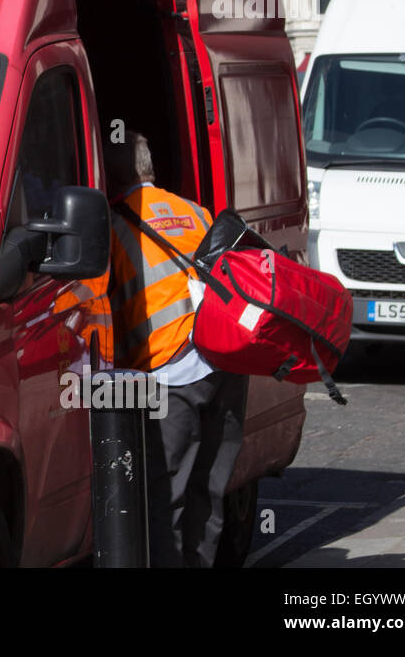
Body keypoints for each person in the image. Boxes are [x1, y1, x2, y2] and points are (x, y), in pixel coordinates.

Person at [103, 129, 247, 568]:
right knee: (210, 491)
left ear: (107, 175)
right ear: (149, 168)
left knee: (168, 497)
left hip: (169, 375)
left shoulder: (110, 227)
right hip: (224, 363)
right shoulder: (196, 212)